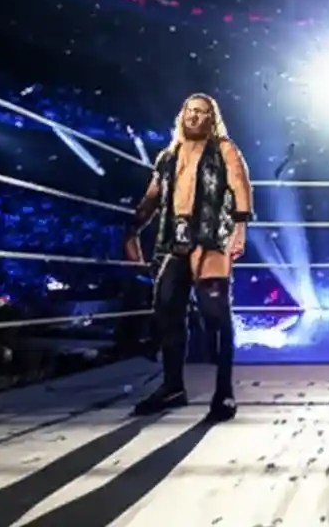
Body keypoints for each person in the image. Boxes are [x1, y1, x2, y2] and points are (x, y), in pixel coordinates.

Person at [124, 93, 253, 420]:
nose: (195, 117)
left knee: (215, 315)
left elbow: (240, 186)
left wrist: (240, 230)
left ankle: (224, 392)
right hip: (173, 239)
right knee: (166, 307)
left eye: (202, 112)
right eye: (190, 111)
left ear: (212, 118)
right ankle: (172, 387)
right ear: (182, 116)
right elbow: (152, 197)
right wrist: (132, 230)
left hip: (210, 236)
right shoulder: (168, 156)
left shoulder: (225, 149)